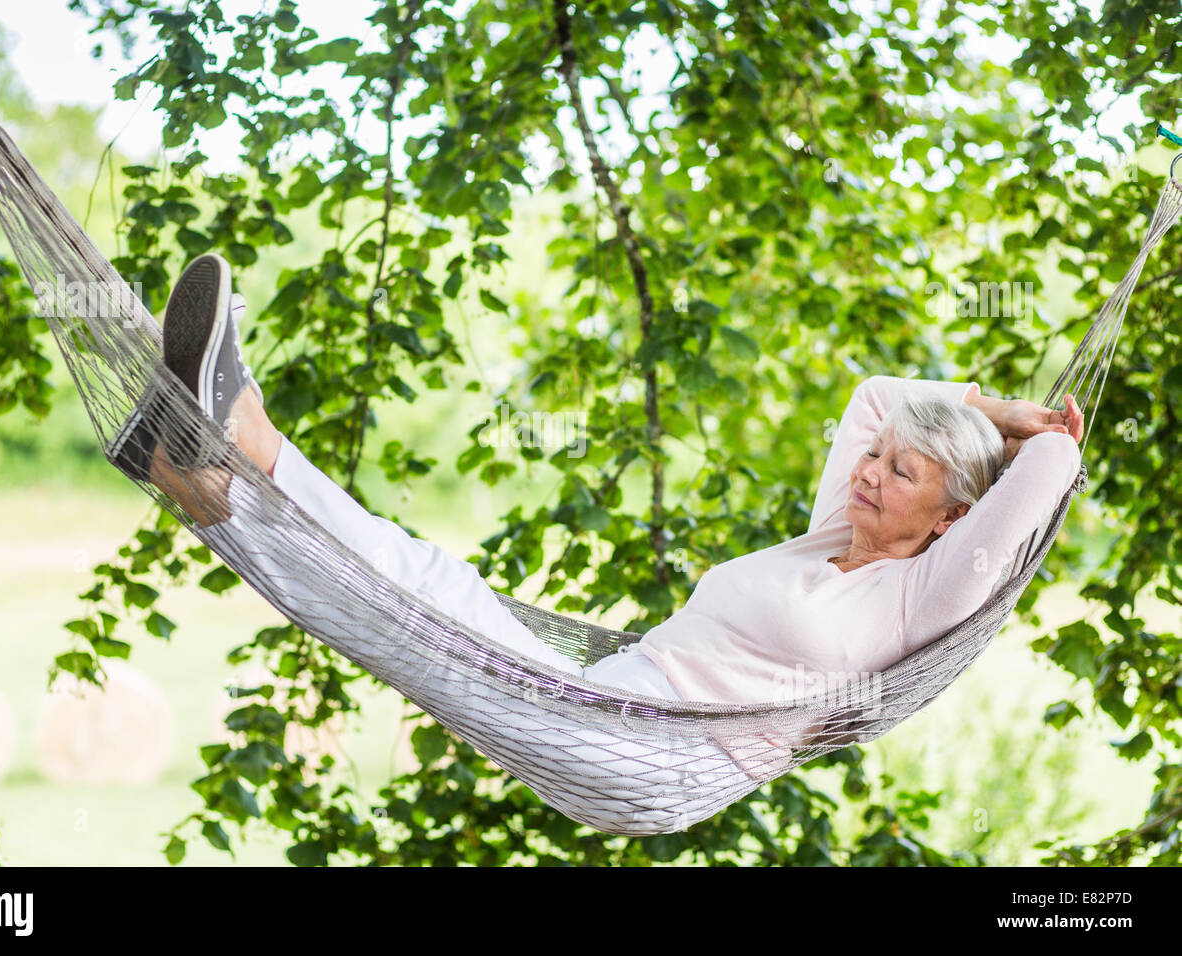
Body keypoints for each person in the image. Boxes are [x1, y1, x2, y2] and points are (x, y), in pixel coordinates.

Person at [105, 254, 1085, 831]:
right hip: (631, 702)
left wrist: (1036, 433)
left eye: (900, 472)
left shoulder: (925, 596)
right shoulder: (836, 532)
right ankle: (203, 481)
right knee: (424, 612)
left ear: (950, 520)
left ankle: (248, 437)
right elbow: (874, 394)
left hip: (667, 754)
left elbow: (1052, 465)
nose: (868, 470)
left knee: (433, 608)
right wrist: (983, 405)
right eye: (873, 458)